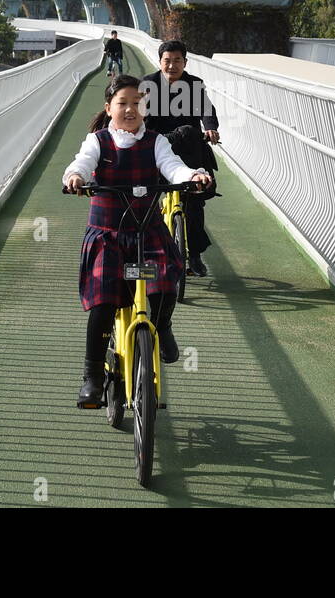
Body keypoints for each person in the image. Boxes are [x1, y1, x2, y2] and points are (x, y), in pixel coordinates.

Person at [63, 74, 213, 407]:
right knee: (103, 303)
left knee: (164, 288)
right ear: (109, 107)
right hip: (107, 236)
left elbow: (173, 167)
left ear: (145, 108)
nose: (130, 109)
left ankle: (162, 325)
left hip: (148, 233)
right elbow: (82, 164)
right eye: (123, 103)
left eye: (137, 103)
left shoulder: (156, 141)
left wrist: (193, 175)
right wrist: (75, 177)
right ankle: (92, 376)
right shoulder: (98, 141)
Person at [139, 40, 219, 277]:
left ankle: (194, 256)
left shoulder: (194, 84)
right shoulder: (148, 84)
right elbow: (138, 112)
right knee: (145, 200)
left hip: (190, 146)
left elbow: (206, 109)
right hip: (157, 147)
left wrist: (210, 128)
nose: (172, 65)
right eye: (167, 60)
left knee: (194, 204)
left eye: (177, 61)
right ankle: (149, 255)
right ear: (160, 61)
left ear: (185, 62)